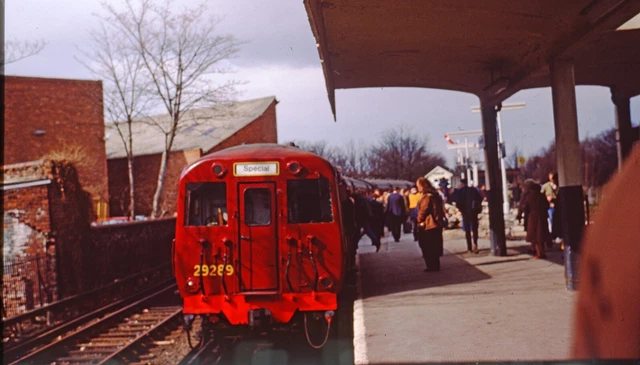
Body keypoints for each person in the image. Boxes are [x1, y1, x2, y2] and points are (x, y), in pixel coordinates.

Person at [416, 177, 445, 272]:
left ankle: (431, 266)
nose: (418, 188)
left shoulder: (426, 196)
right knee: (434, 245)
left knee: (426, 245)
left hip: (428, 224)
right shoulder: (435, 194)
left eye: (418, 186)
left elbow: (424, 210)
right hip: (436, 224)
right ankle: (435, 265)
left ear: (422, 185)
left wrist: (419, 219)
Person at [517, 180, 549, 259]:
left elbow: (524, 206)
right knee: (542, 236)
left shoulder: (528, 196)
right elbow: (547, 205)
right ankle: (542, 252)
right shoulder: (542, 196)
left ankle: (538, 252)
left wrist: (520, 215)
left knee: (535, 236)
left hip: (532, 218)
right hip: (543, 217)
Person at [453, 178, 482, 253]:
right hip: (474, 212)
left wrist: (461, 209)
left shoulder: (460, 191)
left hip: (465, 212)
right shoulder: (473, 190)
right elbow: (480, 198)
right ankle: (475, 243)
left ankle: (469, 247)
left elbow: (457, 203)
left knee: (467, 230)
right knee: (475, 229)